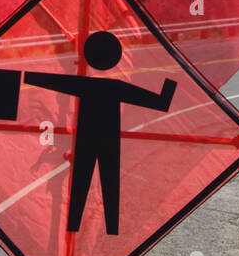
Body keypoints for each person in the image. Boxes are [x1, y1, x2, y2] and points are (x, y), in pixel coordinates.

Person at [23, 30, 176, 235]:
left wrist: (23, 75)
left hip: (86, 138)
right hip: (109, 139)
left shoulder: (84, 85)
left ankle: (74, 225)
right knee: (110, 181)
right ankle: (111, 226)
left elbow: (44, 80)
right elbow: (161, 101)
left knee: (81, 181)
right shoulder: (116, 87)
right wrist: (172, 72)